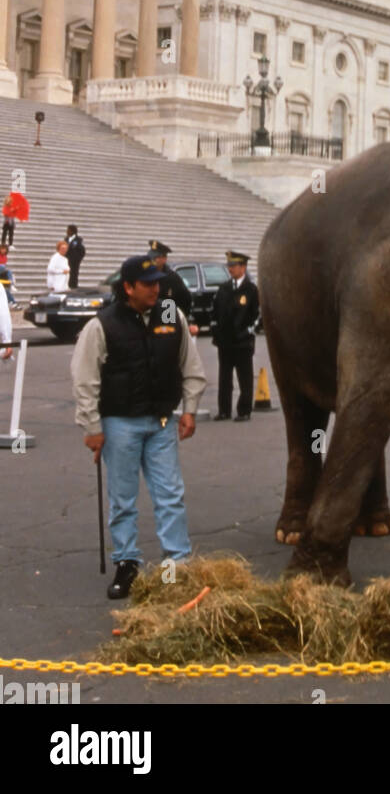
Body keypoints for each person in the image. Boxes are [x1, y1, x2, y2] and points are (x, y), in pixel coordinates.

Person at [71, 254, 206, 599]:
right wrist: (92, 426)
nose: (155, 289)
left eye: (157, 282)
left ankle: (175, 566)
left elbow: (189, 364)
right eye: (147, 284)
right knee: (123, 499)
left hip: (161, 421)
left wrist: (189, 408)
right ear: (128, 287)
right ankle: (127, 563)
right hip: (120, 424)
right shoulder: (103, 324)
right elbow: (85, 379)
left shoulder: (170, 314)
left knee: (170, 495)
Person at [211, 251, 260, 422]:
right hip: (225, 342)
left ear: (243, 267)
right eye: (229, 266)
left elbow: (257, 316)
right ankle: (224, 410)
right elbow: (215, 312)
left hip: (243, 342)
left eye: (233, 266)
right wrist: (215, 329)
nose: (230, 269)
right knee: (224, 378)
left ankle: (244, 410)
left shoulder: (251, 290)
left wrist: (248, 332)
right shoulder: (223, 289)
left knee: (245, 378)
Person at [148, 240, 193, 320]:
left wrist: (179, 319)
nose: (153, 260)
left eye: (156, 257)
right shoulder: (145, 275)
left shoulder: (172, 278)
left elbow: (186, 299)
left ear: (164, 259)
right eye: (151, 257)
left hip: (167, 321)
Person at [65, 225, 86, 290]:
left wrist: (78, 259)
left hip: (74, 262)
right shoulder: (66, 239)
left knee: (74, 274)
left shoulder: (78, 240)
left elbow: (82, 251)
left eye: (68, 230)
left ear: (72, 231)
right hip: (67, 260)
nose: (67, 231)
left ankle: (73, 287)